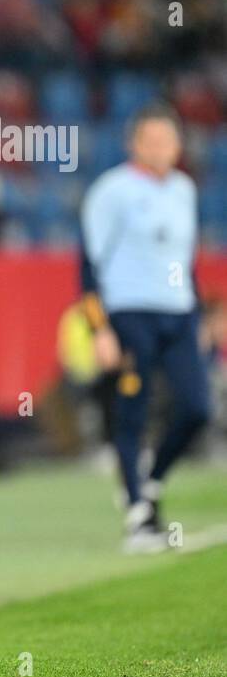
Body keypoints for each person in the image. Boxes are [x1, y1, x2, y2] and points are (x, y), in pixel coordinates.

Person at [80, 102, 210, 553]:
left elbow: (184, 261)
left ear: (178, 145)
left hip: (177, 313)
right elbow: (89, 265)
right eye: (150, 140)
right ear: (133, 144)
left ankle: (150, 481)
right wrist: (100, 328)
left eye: (167, 140)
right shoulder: (111, 191)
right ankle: (138, 518)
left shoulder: (184, 191)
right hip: (130, 313)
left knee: (198, 407)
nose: (159, 148)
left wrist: (197, 315)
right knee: (133, 411)